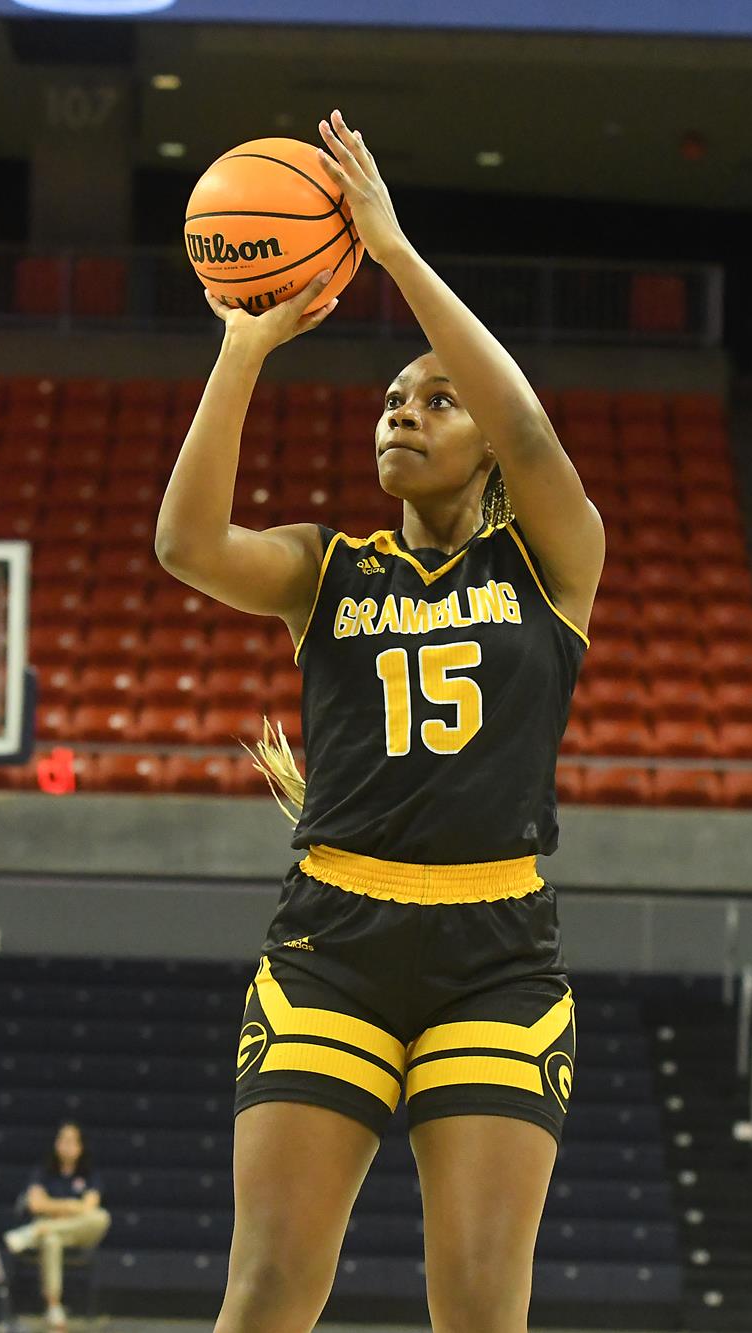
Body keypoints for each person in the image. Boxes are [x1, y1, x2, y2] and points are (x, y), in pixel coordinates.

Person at [155, 109, 601, 1333]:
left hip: (496, 954)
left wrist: (393, 253)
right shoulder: (325, 568)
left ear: (484, 447)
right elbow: (185, 545)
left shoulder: (552, 565)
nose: (402, 412)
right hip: (331, 943)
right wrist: (242, 348)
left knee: (475, 1309)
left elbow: (532, 428)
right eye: (393, 399)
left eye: (436, 401)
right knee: (264, 1296)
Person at [3, 1121, 110, 1331]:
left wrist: (53, 1208)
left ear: (80, 1147)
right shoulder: (43, 1172)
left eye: (71, 1141)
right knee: (51, 1240)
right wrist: (71, 1206)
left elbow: (89, 1209)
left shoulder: (90, 1175)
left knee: (101, 1217)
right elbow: (34, 1204)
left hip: (80, 1232)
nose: (66, 1145)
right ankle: (53, 1305)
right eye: (62, 1140)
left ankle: (33, 1232)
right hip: (55, 1230)